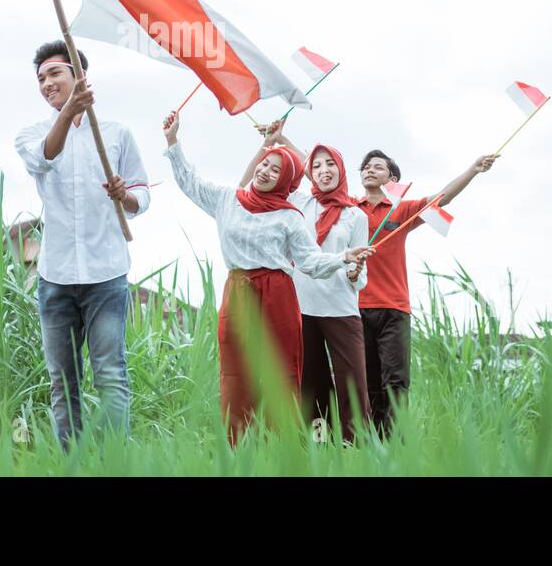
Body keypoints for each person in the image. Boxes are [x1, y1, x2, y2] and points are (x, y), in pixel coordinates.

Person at [160, 108, 374, 445]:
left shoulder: (290, 216)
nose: (265, 171)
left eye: (276, 169)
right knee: (236, 370)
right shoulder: (227, 199)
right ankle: (238, 444)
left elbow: (310, 262)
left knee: (281, 371)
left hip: (278, 293)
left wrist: (342, 258)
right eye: (264, 164)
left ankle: (283, 443)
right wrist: (173, 142)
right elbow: (190, 182)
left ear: (285, 180)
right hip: (239, 291)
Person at [14, 40, 150, 448]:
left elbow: (142, 195)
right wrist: (70, 110)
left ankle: (114, 464)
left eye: (55, 73)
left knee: (110, 372)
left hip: (106, 272)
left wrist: (123, 194)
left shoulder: (117, 134)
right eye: (40, 78)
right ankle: (72, 463)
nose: (46, 83)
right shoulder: (31, 133)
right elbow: (44, 158)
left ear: (80, 76)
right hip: (54, 277)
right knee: (63, 382)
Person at [240, 119, 370, 443]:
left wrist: (355, 273)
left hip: (341, 308)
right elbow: (264, 181)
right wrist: (276, 139)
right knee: (311, 381)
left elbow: (362, 276)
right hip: (303, 306)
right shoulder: (300, 203)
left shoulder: (356, 215)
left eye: (331, 165)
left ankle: (355, 447)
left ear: (341, 169)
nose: (324, 171)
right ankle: (320, 442)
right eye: (318, 166)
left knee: (352, 382)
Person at [356, 147, 499, 439]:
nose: (369, 170)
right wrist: (278, 138)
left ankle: (395, 444)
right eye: (366, 167)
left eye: (378, 167)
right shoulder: (348, 208)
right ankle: (369, 444)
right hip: (355, 307)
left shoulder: (402, 210)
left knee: (395, 381)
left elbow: (442, 197)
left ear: (391, 178)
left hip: (394, 309)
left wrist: (473, 169)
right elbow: (318, 174)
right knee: (366, 381)